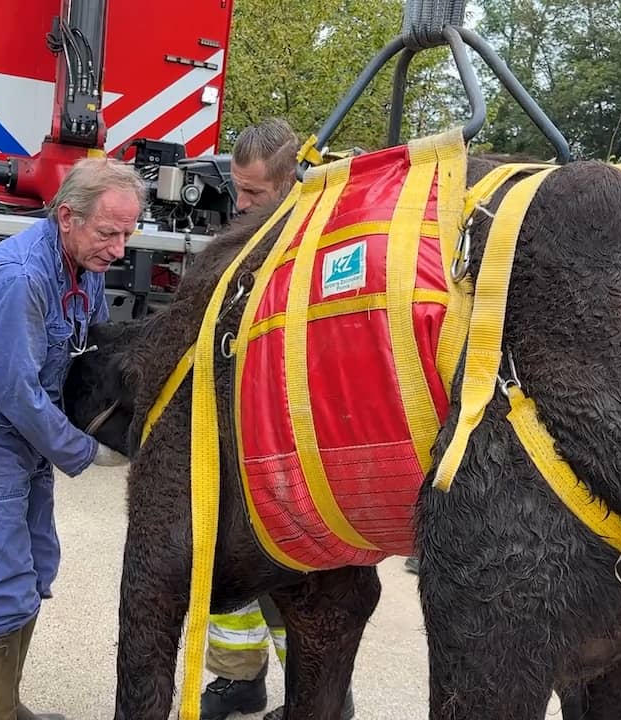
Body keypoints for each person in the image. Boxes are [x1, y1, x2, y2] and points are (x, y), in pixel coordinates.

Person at [0, 157, 140, 720]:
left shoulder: (82, 267)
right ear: (67, 216)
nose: (118, 249)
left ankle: (3, 706)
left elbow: (85, 353)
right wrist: (85, 449)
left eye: (128, 234)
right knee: (2, 584)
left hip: (24, 433)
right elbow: (15, 390)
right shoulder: (21, 277)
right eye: (108, 233)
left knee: (36, 565)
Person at [200, 118, 356, 720]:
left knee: (301, 579)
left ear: (293, 183)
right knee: (224, 560)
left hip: (299, 443)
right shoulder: (252, 236)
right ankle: (240, 681)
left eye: (254, 195)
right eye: (237, 190)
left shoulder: (328, 243)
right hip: (242, 433)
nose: (238, 205)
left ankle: (322, 697)